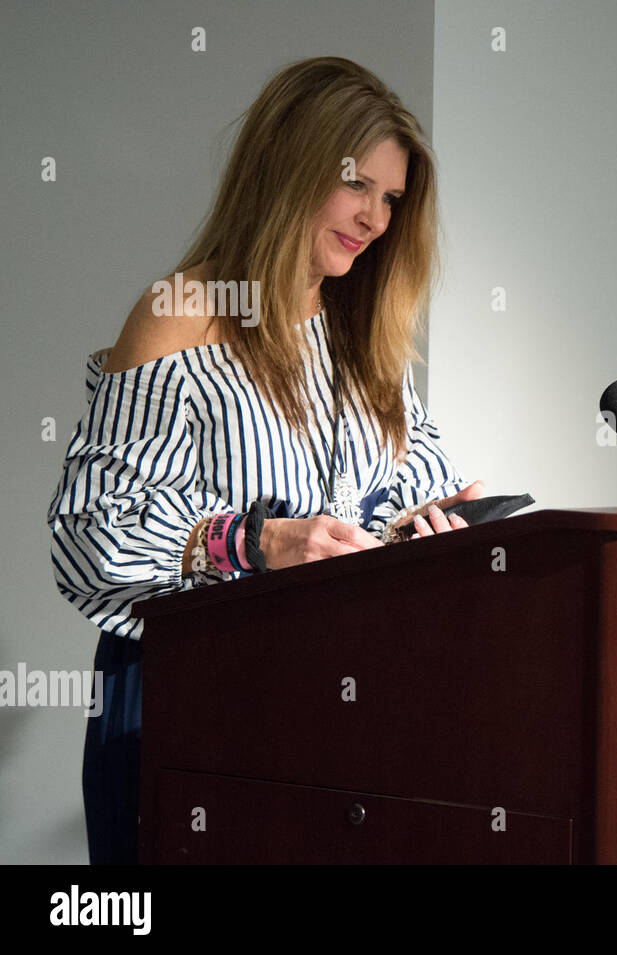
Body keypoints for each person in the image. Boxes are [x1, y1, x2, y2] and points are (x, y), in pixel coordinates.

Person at [46, 56, 484, 864]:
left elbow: (414, 488)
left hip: (334, 705)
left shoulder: (362, 338)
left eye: (392, 200)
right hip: (187, 700)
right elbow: (91, 534)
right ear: (293, 166)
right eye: (361, 188)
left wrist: (431, 529)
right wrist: (256, 542)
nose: (377, 219)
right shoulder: (185, 313)